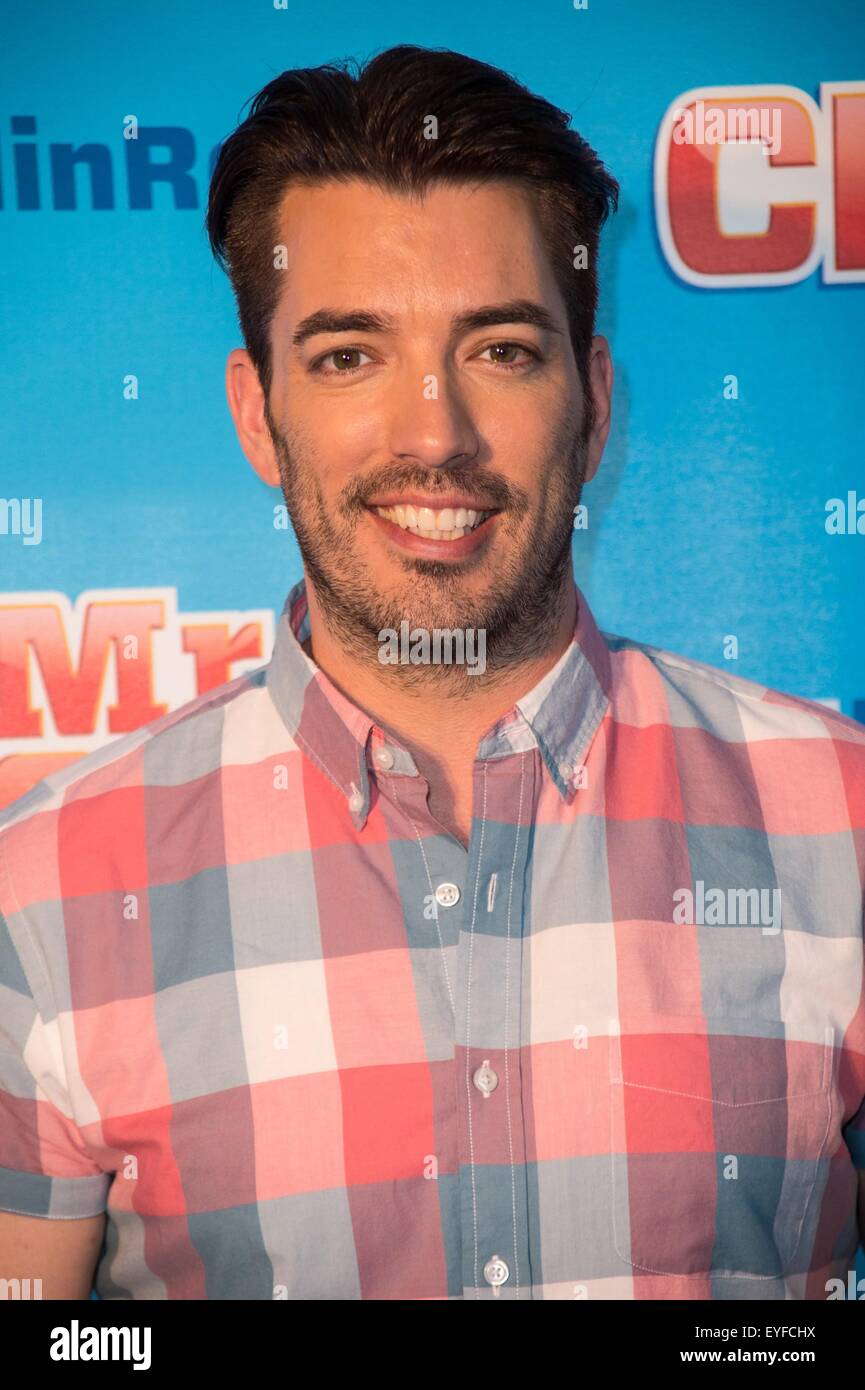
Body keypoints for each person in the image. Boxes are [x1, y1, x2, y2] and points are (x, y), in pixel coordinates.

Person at [0, 44, 863, 1301]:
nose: (432, 435)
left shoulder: (840, 819)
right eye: (349, 354)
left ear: (596, 400)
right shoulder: (45, 890)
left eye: (502, 350)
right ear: (257, 415)